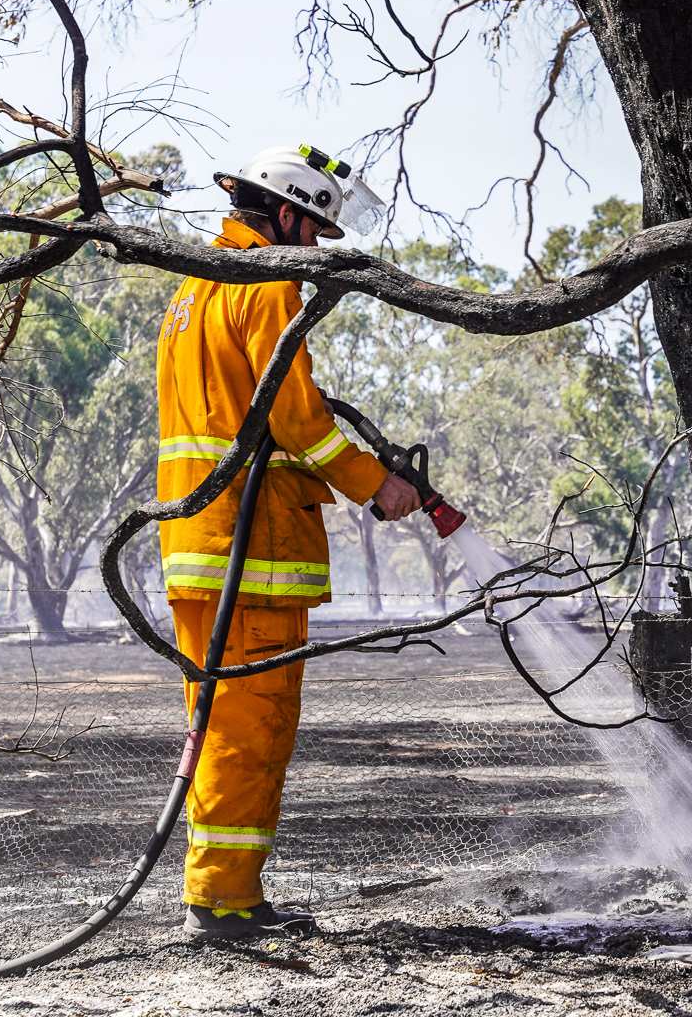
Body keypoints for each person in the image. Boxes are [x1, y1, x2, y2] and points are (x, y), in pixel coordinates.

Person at [155, 145, 421, 940]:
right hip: (252, 545)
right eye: (314, 236)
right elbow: (297, 420)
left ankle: (223, 889)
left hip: (199, 543)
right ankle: (224, 900)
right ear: (287, 213)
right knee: (251, 727)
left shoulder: (195, 288)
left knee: (217, 723)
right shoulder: (265, 284)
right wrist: (382, 485)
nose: (313, 257)